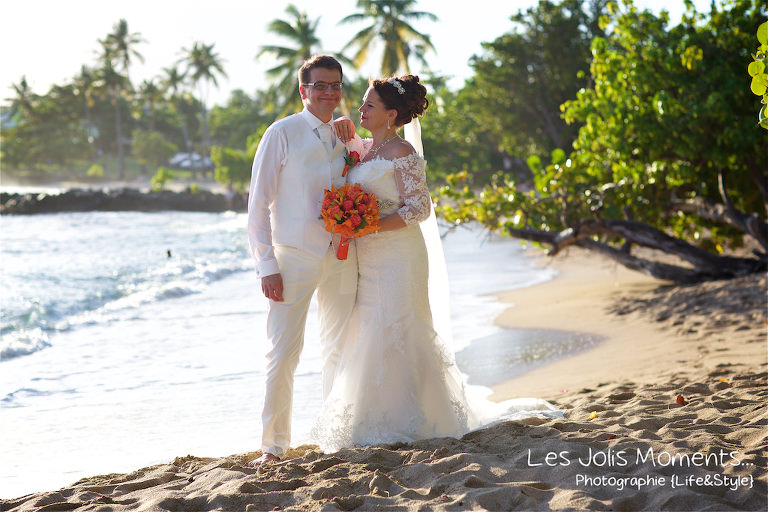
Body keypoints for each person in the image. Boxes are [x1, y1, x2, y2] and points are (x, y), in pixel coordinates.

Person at [311, 74, 560, 451]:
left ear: (391, 114)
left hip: (400, 255)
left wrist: (368, 225)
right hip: (369, 257)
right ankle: (370, 414)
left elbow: (419, 208)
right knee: (370, 327)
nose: (360, 109)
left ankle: (412, 415)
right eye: (362, 103)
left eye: (369, 105)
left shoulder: (402, 152)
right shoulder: (366, 149)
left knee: (400, 324)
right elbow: (343, 143)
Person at [246, 55, 359, 466]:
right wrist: (266, 265)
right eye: (320, 85)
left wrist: (350, 134)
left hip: (342, 255)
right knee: (283, 353)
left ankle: (335, 435)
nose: (329, 92)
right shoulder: (282, 133)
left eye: (335, 85)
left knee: (340, 347)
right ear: (303, 90)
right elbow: (258, 204)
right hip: (293, 258)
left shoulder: (345, 135)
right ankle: (273, 447)